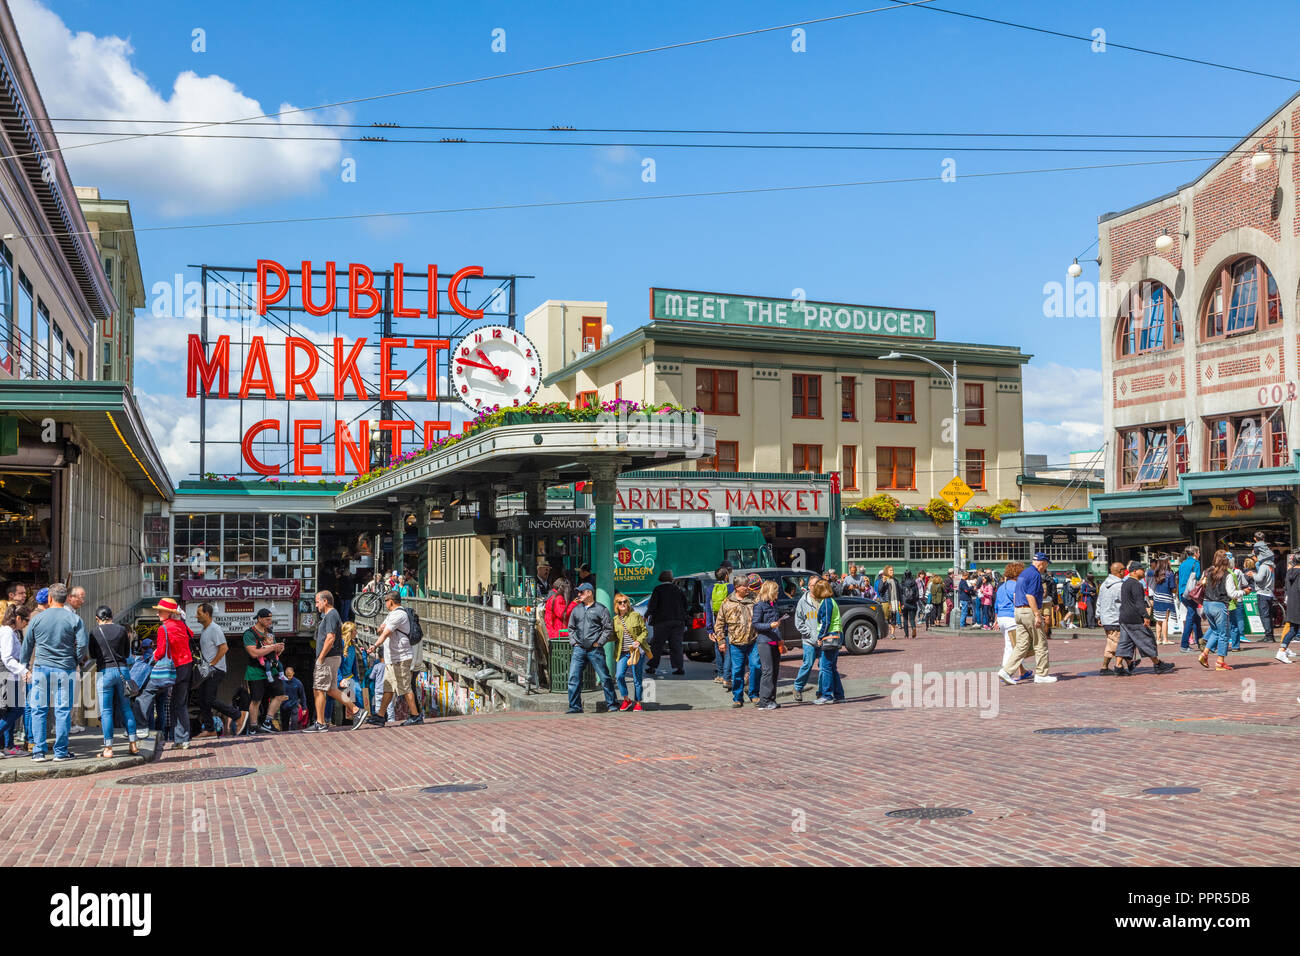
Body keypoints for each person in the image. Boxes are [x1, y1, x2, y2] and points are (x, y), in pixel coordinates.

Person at [20, 583, 87, 762]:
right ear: (65, 599)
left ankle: (39, 751)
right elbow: (82, 645)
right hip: (65, 668)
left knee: (38, 709)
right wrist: (74, 660)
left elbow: (27, 645)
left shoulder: (37, 618)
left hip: (41, 667)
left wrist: (24, 666)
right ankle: (60, 751)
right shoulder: (74, 619)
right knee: (63, 710)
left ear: (49, 598)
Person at [135, 596, 194, 754]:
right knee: (179, 704)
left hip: (171, 669)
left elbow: (160, 652)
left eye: (161, 611)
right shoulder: (181, 625)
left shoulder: (164, 628)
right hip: (186, 666)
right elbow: (191, 635)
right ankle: (182, 740)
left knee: (144, 694)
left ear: (169, 612)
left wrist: (150, 660)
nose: (158, 614)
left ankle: (141, 728)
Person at [305, 591, 366, 733]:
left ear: (325, 601)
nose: (316, 605)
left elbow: (330, 638)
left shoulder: (331, 615)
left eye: (317, 602)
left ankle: (320, 723)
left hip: (328, 658)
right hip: (331, 657)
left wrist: (320, 657)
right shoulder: (331, 615)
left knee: (318, 688)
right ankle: (356, 710)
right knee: (331, 689)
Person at [88, 605, 139, 758]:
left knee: (106, 711)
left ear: (98, 619)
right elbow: (125, 653)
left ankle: (109, 748)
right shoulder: (122, 630)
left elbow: (92, 654)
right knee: (126, 708)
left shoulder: (94, 632)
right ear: (112, 616)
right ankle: (133, 744)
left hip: (104, 672)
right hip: (122, 671)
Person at [999, 552, 1055, 685]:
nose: (1045, 568)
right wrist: (1037, 614)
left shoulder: (1024, 573)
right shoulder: (1035, 574)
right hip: (1029, 611)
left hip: (1018, 611)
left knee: (1021, 645)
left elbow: (1016, 594)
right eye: (1046, 564)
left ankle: (1006, 671)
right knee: (1040, 643)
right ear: (1042, 562)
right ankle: (1041, 674)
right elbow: (1030, 596)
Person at [369, 590, 423, 726]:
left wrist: (374, 646)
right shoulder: (391, 615)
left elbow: (385, 632)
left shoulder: (399, 614)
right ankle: (380, 716)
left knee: (405, 687)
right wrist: (381, 630)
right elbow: (380, 630)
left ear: (391, 601)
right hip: (392, 658)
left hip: (401, 657)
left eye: (386, 601)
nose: (385, 603)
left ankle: (416, 716)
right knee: (388, 687)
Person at [564, 583, 618, 714]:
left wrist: (599, 643)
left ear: (589, 593)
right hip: (579, 649)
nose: (578, 595)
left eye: (581, 592)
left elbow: (608, 629)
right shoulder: (576, 610)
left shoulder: (601, 609)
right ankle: (575, 706)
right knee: (573, 678)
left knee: (604, 677)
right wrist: (574, 642)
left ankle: (612, 704)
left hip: (595, 650)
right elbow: (570, 628)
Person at [1115, 562, 1175, 676]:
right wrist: (1145, 616)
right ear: (1134, 571)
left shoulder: (1125, 583)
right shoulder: (1136, 584)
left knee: (1125, 642)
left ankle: (1118, 666)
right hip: (1134, 618)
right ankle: (1158, 664)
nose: (1143, 571)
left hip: (1124, 617)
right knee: (1147, 640)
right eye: (1141, 569)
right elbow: (1139, 603)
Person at [715, 572, 762, 709]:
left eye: (748, 586)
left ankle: (753, 694)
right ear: (736, 587)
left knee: (756, 666)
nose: (747, 588)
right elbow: (719, 624)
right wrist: (721, 641)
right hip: (735, 642)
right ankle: (737, 697)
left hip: (753, 640)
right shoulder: (727, 602)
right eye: (744, 586)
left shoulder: (755, 599)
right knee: (737, 671)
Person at [194, 603, 239, 738]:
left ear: (207, 614)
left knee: (209, 699)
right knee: (202, 699)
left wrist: (212, 664)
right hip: (207, 671)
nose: (196, 616)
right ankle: (210, 729)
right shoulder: (204, 630)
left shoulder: (215, 629)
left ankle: (237, 714)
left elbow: (224, 648)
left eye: (199, 613)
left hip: (216, 670)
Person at [242, 609, 287, 733]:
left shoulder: (270, 632)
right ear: (259, 619)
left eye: (270, 619)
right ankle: (253, 727)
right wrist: (272, 647)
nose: (269, 622)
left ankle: (268, 721)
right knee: (256, 699)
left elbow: (274, 652)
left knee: (280, 694)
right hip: (255, 671)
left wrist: (279, 649)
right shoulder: (249, 633)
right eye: (267, 619)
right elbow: (253, 653)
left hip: (272, 669)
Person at [611, 592, 650, 711]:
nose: (623, 604)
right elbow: (613, 637)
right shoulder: (615, 620)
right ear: (616, 605)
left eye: (625, 602)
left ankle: (638, 702)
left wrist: (638, 641)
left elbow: (645, 632)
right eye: (620, 602)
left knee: (637, 678)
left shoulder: (636, 615)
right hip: (622, 653)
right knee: (619, 676)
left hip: (636, 652)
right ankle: (626, 699)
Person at [645, 570, 688, 677]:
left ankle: (652, 667)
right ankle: (679, 667)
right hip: (678, 621)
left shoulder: (658, 590)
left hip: (661, 622)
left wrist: (646, 615)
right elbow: (685, 605)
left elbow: (653, 606)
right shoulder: (678, 589)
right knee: (676, 644)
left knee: (657, 644)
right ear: (671, 579)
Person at [0, 604, 30, 755]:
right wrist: (24, 670)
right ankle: (8, 745)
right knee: (17, 709)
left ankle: (8, 745)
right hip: (8, 676)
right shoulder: (7, 632)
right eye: (26, 620)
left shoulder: (11, 632)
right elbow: (7, 658)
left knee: (8, 712)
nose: (27, 624)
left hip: (11, 676)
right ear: (18, 618)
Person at [810, 578, 845, 704]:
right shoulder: (831, 601)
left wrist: (820, 637)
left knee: (825, 667)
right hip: (836, 634)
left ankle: (826, 695)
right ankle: (839, 694)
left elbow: (826, 622)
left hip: (830, 636)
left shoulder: (826, 602)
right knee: (832, 667)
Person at [994, 563, 1031, 682]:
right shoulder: (1017, 586)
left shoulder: (1001, 587)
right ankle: (1005, 672)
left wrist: (995, 620)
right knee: (1013, 646)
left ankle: (1022, 671)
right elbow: (1019, 601)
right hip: (1012, 618)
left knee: (1013, 645)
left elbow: (996, 605)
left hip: (1001, 618)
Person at [751, 580, 785, 711]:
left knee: (775, 671)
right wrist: (770, 625)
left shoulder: (773, 604)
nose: (777, 593)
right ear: (770, 591)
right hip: (764, 641)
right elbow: (756, 624)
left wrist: (780, 640)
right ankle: (764, 701)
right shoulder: (760, 605)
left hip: (774, 640)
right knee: (768, 671)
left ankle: (771, 699)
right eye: (775, 590)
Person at [1198, 550, 1233, 671]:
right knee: (1224, 634)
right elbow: (1231, 593)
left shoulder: (1208, 571)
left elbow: (1202, 584)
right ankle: (1220, 662)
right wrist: (1244, 592)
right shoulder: (1227, 574)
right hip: (1219, 605)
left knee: (1215, 631)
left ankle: (1205, 654)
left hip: (1207, 604)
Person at [1096, 562, 1125, 675]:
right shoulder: (1119, 586)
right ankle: (1108, 666)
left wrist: (1098, 615)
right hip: (1115, 618)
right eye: (1123, 569)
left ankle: (1121, 664)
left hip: (1106, 618)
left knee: (1113, 641)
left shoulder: (1104, 584)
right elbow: (1124, 601)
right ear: (1119, 571)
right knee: (1115, 643)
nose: (1124, 572)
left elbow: (1099, 601)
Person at [706, 567, 732, 685]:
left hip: (717, 625)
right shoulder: (731, 588)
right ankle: (727, 676)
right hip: (729, 624)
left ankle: (720, 675)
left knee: (718, 648)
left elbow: (708, 609)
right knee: (729, 650)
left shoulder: (710, 589)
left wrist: (709, 629)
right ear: (726, 575)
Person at [1177, 545, 1204, 651]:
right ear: (1195, 553)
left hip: (1183, 592)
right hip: (1191, 593)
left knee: (1196, 617)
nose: (1199, 554)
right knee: (1191, 617)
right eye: (1198, 552)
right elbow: (1197, 578)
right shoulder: (1195, 563)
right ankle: (1184, 644)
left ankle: (1200, 641)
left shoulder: (1183, 564)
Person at [1279, 551, 1300, 664]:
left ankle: (1282, 651)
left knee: (1293, 629)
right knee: (1293, 630)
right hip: (1298, 604)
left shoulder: (1290, 572)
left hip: (1292, 604)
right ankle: (1281, 651)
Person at [1254, 541, 1276, 644]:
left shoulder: (1263, 566)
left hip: (1262, 593)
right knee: (1268, 615)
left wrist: (1252, 575)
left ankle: (1268, 636)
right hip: (1269, 593)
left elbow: (1259, 578)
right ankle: (1270, 635)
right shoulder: (1271, 566)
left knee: (1264, 615)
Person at [1149, 559, 1176, 645]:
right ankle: (1165, 639)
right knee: (1165, 619)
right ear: (1166, 563)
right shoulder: (1170, 573)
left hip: (1157, 596)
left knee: (1158, 619)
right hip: (1166, 597)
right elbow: (1172, 587)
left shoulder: (1157, 573)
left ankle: (1158, 639)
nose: (1170, 562)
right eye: (1169, 561)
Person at [280, 666, 307, 730]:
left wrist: (304, 708)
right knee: (284, 724)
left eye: (290, 673)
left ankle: (294, 734)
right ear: (285, 673)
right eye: (287, 673)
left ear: (293, 673)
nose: (289, 675)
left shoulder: (298, 683)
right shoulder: (281, 681)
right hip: (284, 705)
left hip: (294, 705)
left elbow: (302, 695)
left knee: (294, 722)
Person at [877, 566, 900, 639]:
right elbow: (880, 590)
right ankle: (883, 632)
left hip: (894, 601)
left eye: (892, 570)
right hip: (886, 601)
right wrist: (883, 582)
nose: (892, 572)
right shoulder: (883, 580)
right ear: (886, 571)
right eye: (890, 570)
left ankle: (892, 634)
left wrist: (900, 602)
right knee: (885, 618)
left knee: (893, 618)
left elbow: (899, 591)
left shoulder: (895, 580)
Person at [900, 570, 920, 639]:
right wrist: (915, 600)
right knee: (912, 619)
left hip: (904, 603)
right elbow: (917, 594)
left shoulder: (902, 583)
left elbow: (900, 594)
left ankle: (906, 634)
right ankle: (913, 627)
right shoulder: (914, 583)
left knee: (905, 619)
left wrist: (901, 603)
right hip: (913, 603)